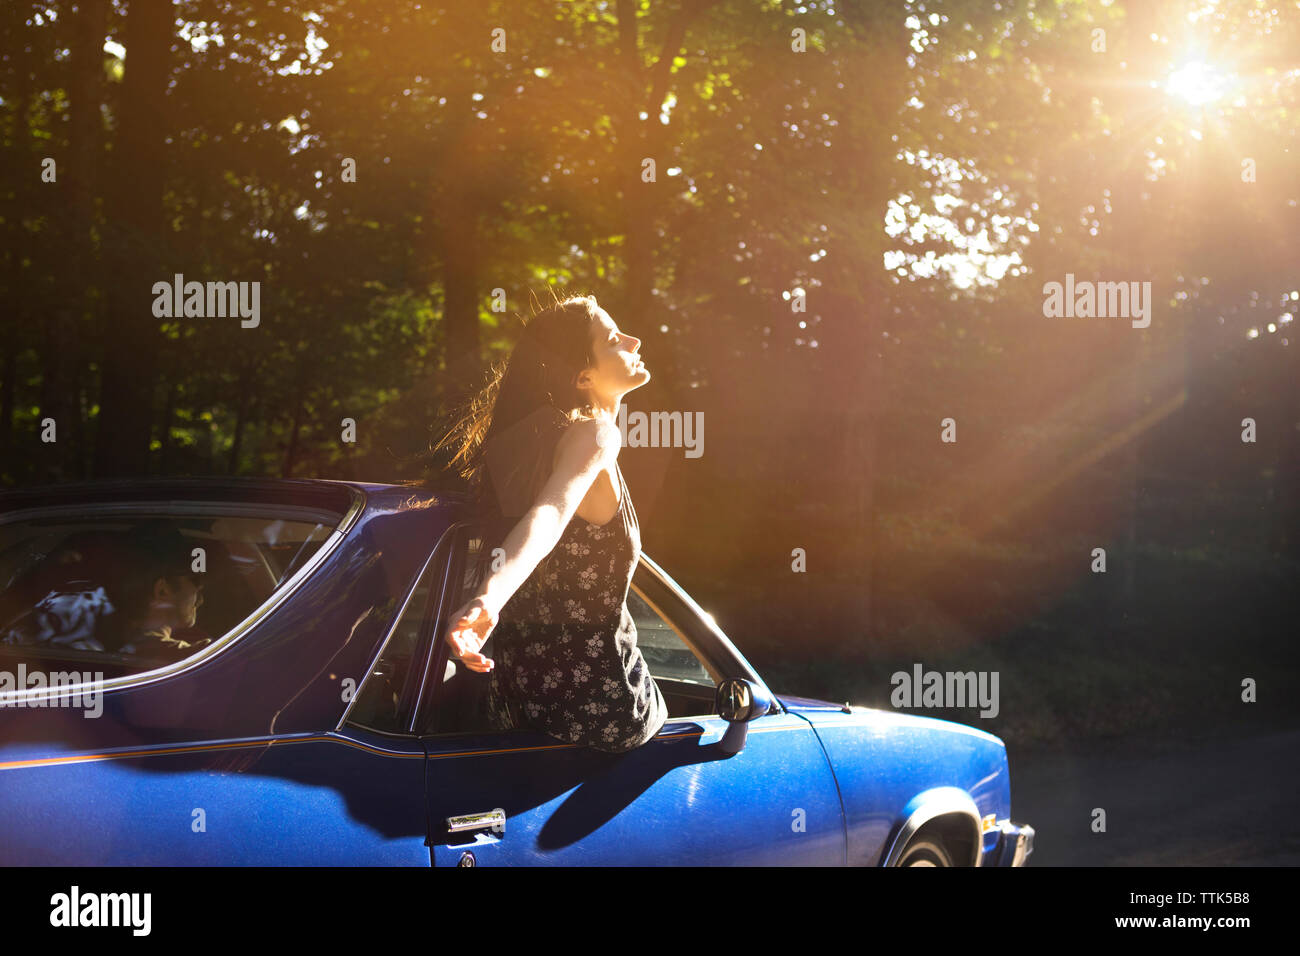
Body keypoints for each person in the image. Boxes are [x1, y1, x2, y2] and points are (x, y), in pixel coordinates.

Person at [434, 291, 667, 753]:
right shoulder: (594, 436)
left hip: (515, 703)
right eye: (613, 339)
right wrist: (487, 599)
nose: (635, 340)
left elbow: (541, 520)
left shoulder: (521, 452)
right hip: (601, 707)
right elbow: (549, 516)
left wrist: (486, 600)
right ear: (583, 376)